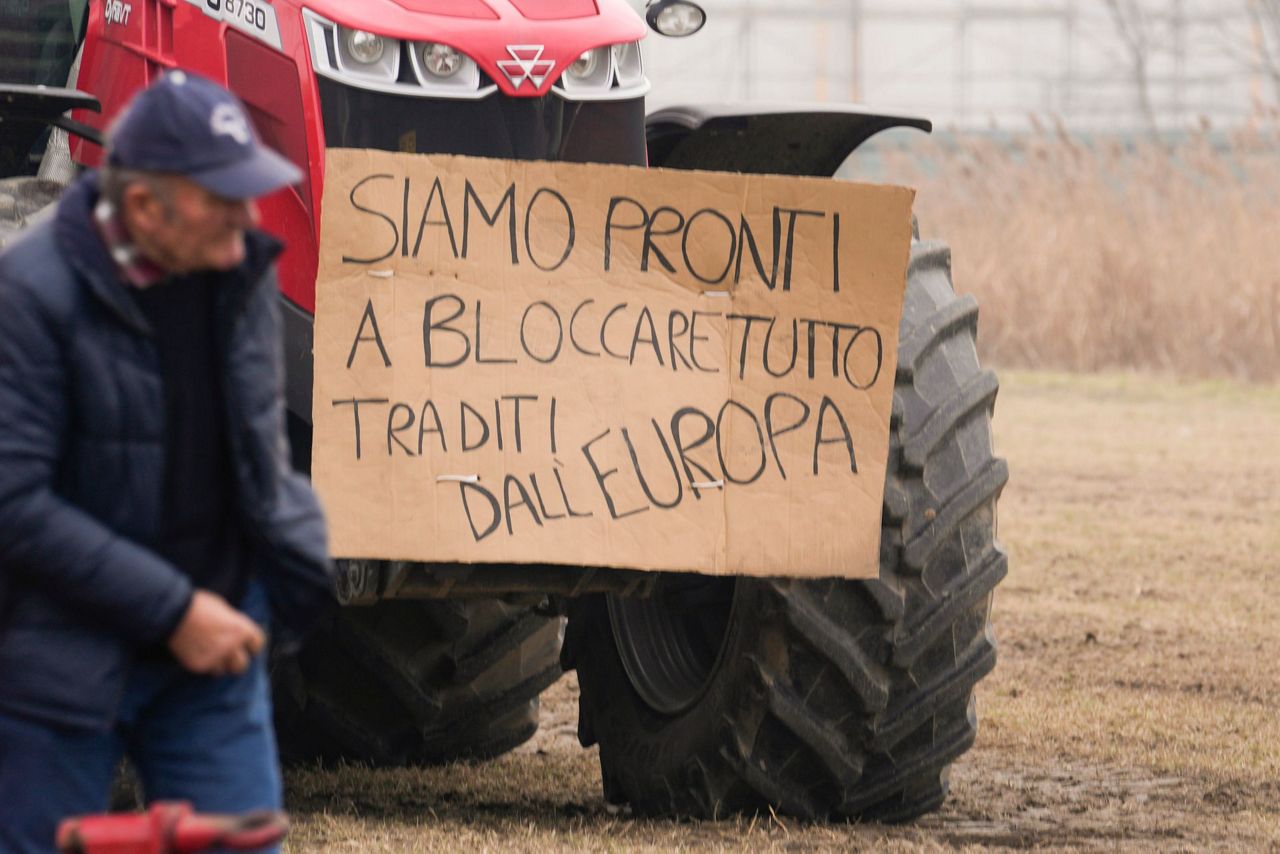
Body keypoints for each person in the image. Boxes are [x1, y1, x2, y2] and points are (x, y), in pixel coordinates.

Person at [0, 71, 334, 853]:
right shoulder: (29, 294)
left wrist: (288, 579)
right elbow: (13, 501)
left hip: (214, 657)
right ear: (145, 207)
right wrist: (173, 612)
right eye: (223, 201)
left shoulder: (239, 271)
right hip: (60, 663)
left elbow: (259, 454)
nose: (247, 220)